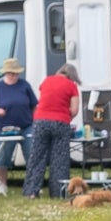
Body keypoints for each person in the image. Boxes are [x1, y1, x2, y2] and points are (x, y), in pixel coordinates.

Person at [28, 60, 81, 199]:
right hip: (60, 123)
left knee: (37, 157)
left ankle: (32, 192)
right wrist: (65, 114)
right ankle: (58, 193)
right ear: (72, 76)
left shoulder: (47, 81)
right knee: (59, 159)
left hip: (40, 121)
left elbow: (45, 100)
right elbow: (74, 110)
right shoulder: (72, 86)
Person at [0, 56, 36, 183]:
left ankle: (33, 184)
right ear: (6, 73)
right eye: (12, 73)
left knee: (32, 155)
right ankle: (2, 185)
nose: (15, 76)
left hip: (26, 126)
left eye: (17, 73)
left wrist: (34, 120)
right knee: (2, 157)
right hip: (4, 128)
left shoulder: (24, 85)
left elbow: (34, 104)